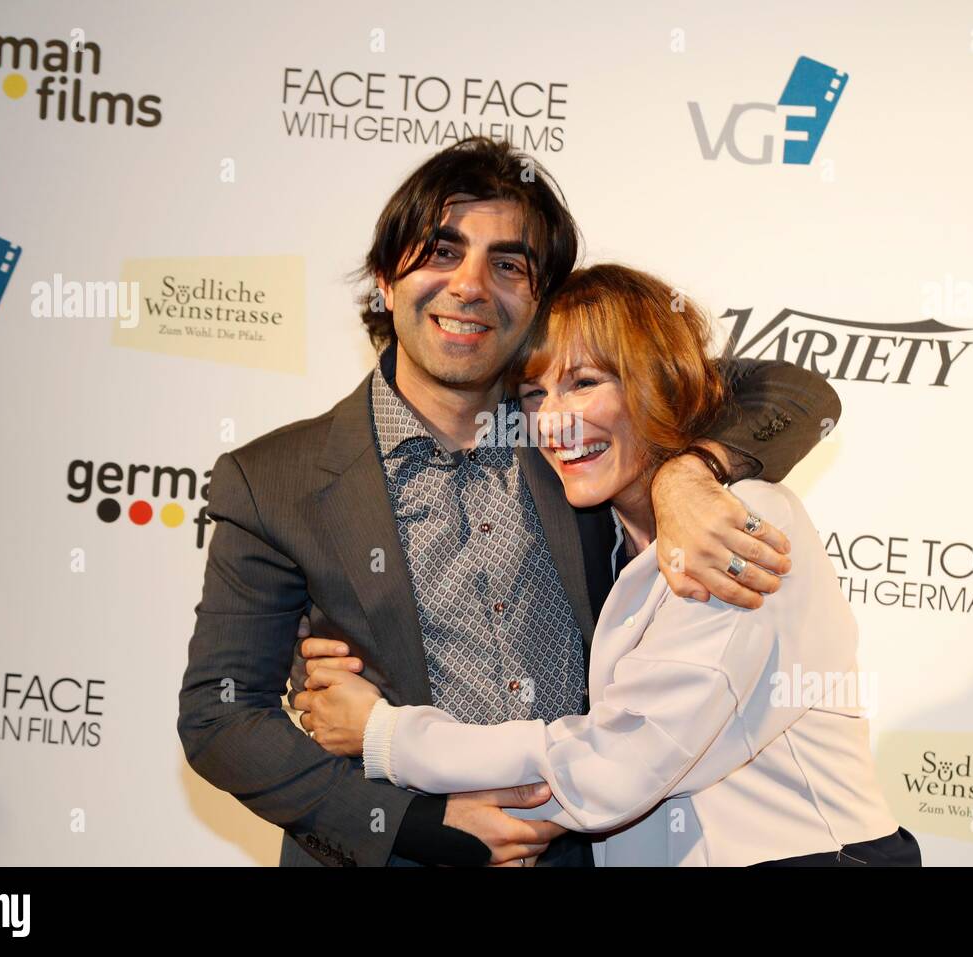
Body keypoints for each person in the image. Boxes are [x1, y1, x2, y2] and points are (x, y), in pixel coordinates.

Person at [177, 137, 841, 867]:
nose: (469, 284)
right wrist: (413, 825)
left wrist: (691, 472)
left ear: (537, 298)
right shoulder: (275, 478)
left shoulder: (574, 430)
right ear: (384, 282)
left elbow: (794, 392)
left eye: (506, 264)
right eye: (440, 251)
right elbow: (220, 715)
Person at [297, 263, 919, 866]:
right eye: (535, 393)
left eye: (586, 382)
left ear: (659, 384)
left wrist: (383, 736)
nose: (556, 420)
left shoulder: (740, 521)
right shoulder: (609, 544)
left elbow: (618, 766)